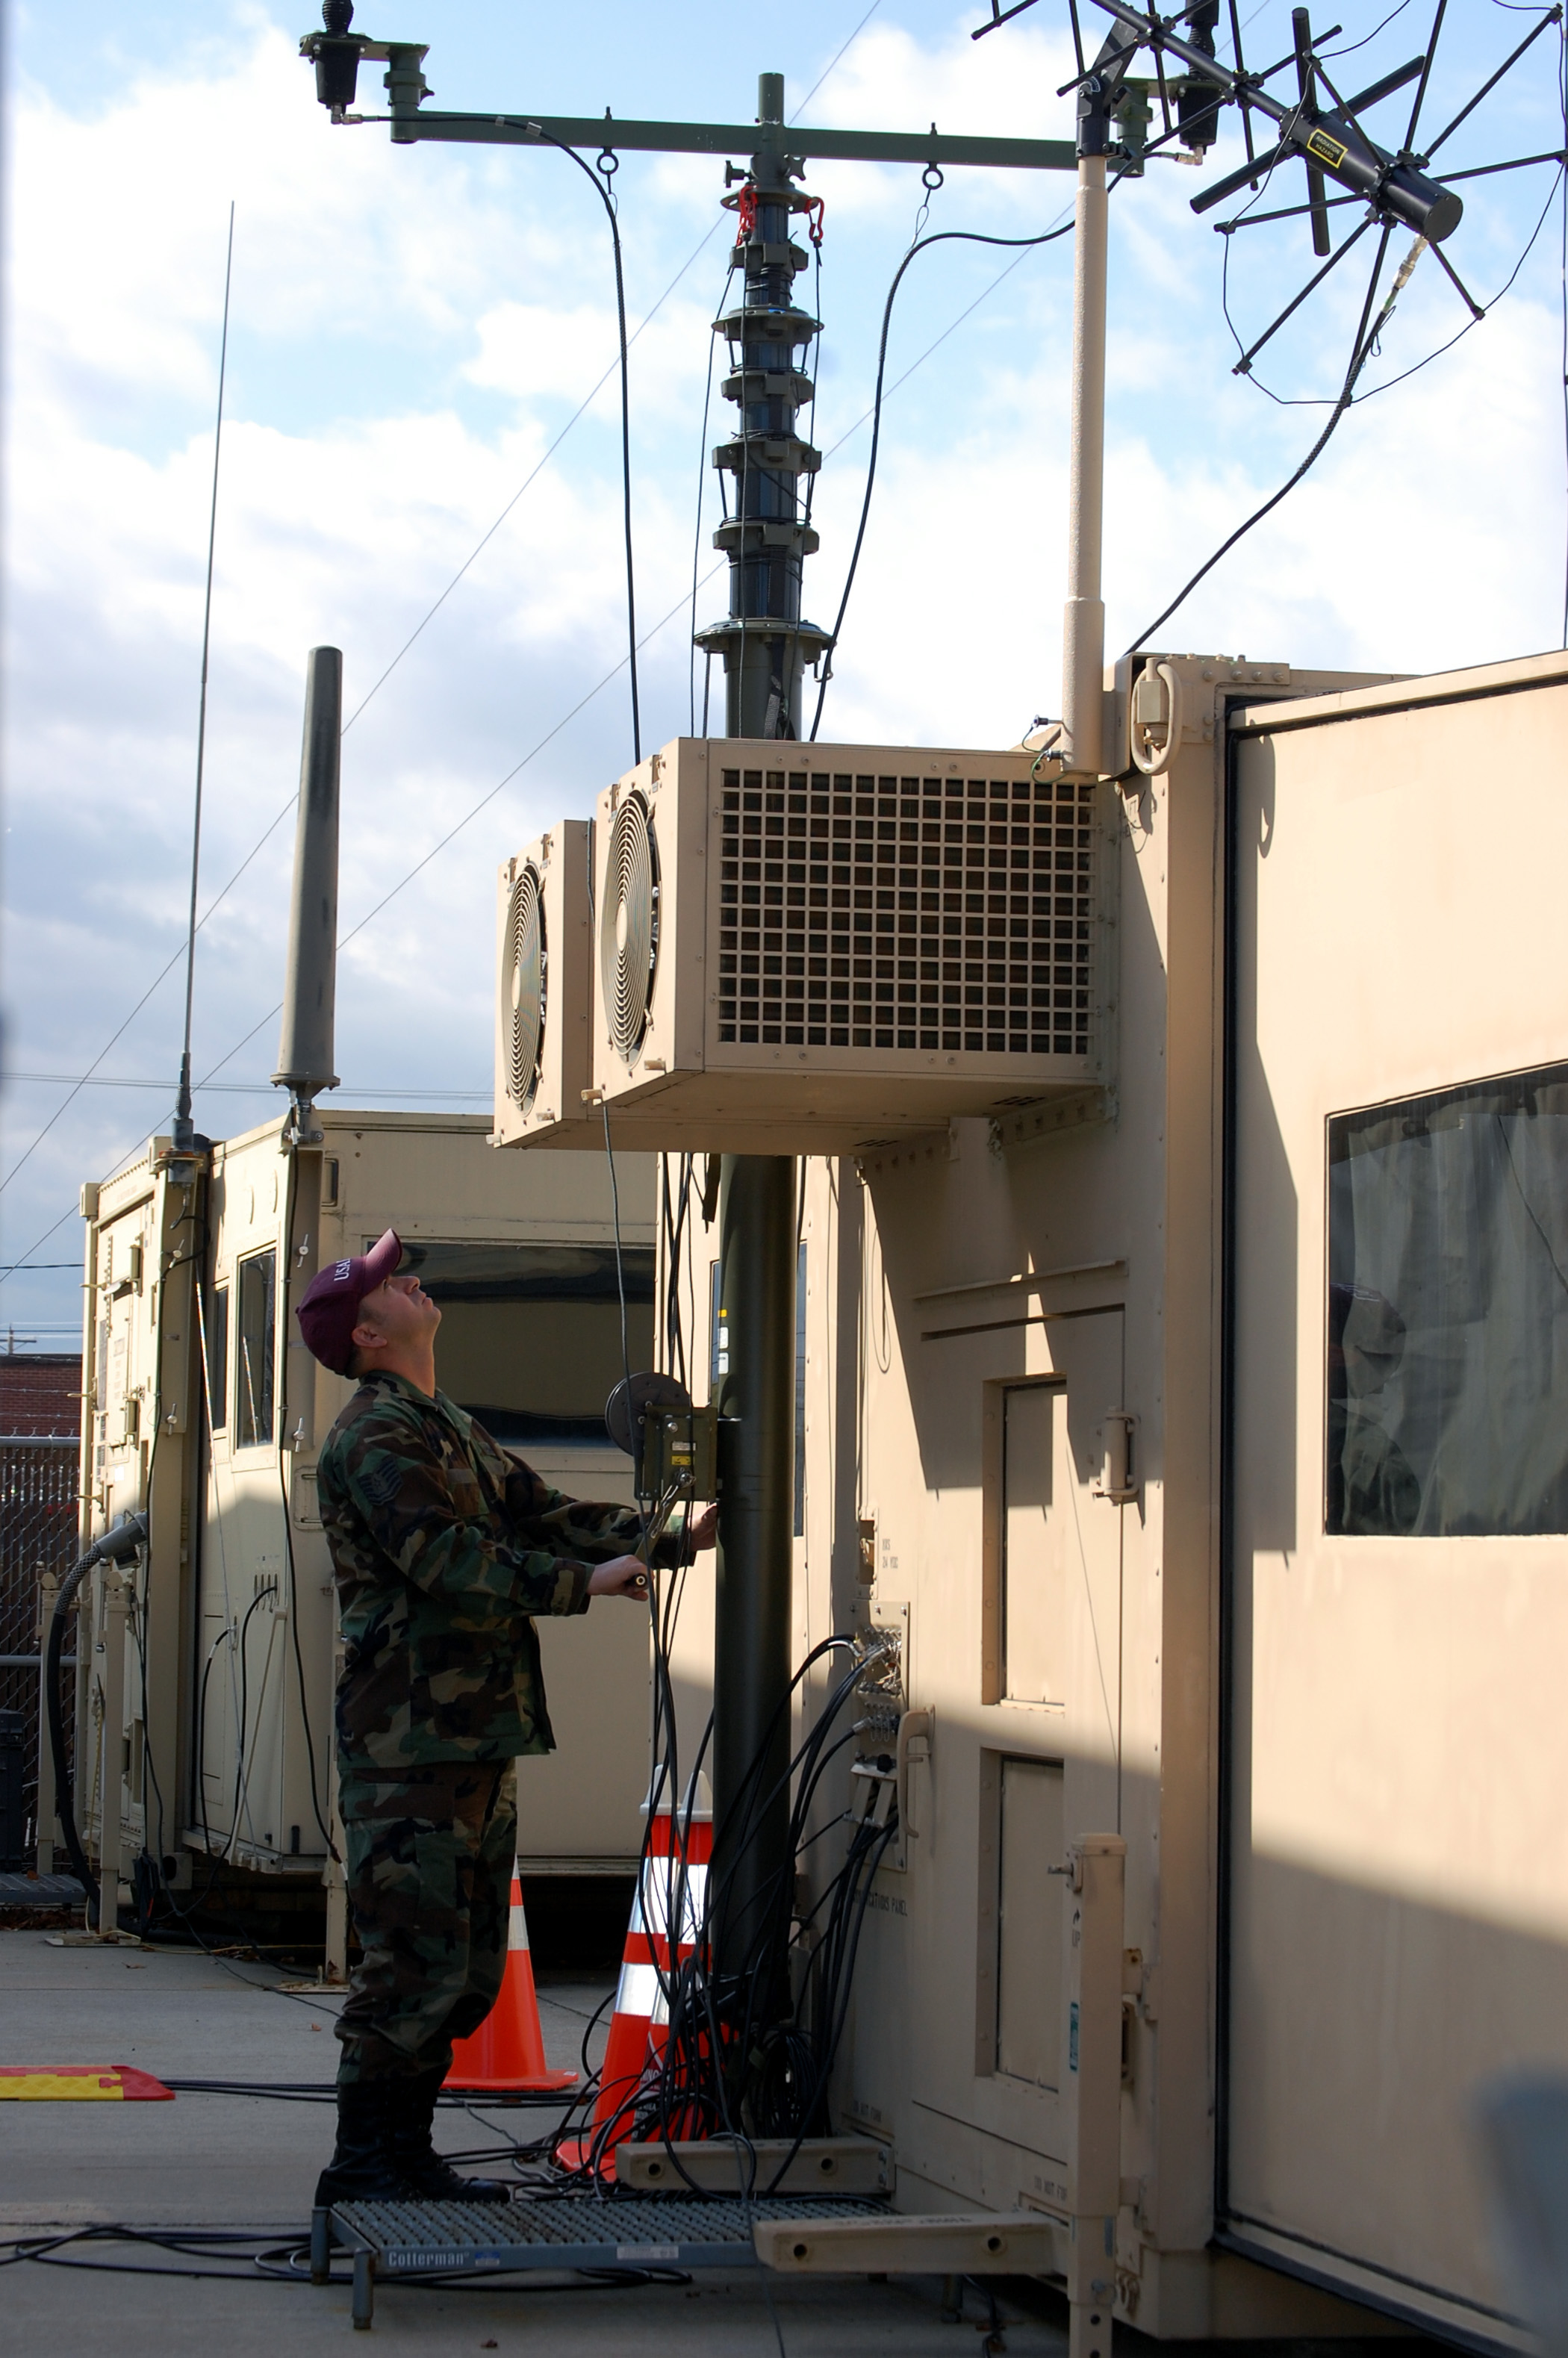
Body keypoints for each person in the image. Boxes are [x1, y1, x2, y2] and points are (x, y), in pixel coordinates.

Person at [295, 1227, 716, 2206]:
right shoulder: (374, 1436)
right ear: (364, 1330)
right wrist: (588, 1582)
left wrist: (667, 1534)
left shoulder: (445, 1424)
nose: (410, 1280)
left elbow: (541, 1509)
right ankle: (365, 2164)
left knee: (466, 1971)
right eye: (388, 1281)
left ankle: (403, 2158)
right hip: (410, 1744)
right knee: (410, 1965)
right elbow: (449, 1560)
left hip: (470, 1735)